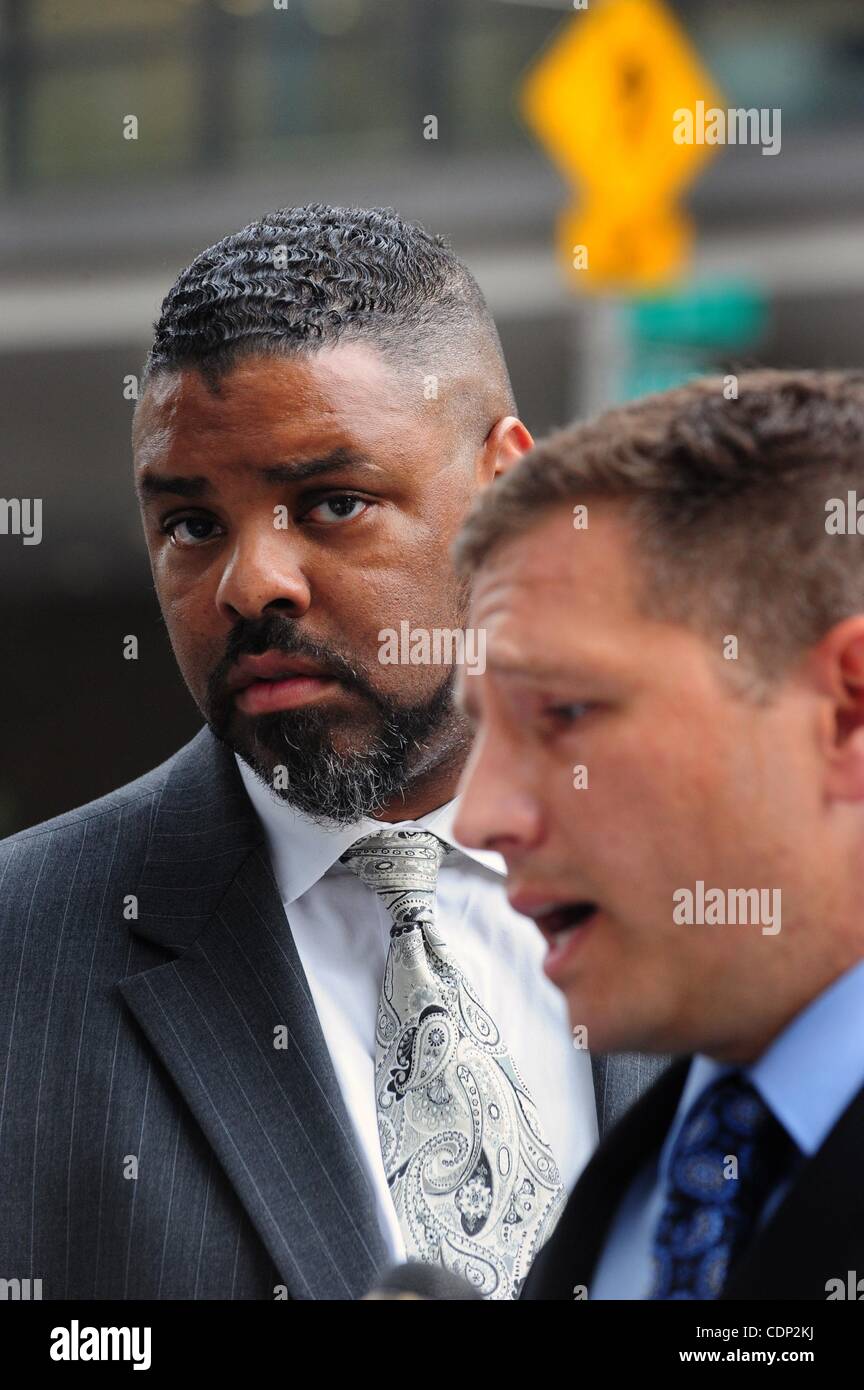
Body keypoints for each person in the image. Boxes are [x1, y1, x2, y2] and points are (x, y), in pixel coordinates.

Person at [0, 205, 663, 1301]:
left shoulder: (749, 894)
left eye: (333, 503)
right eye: (191, 524)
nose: (249, 583)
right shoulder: (26, 964)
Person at [452, 369, 864, 1300]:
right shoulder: (626, 1205)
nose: (480, 819)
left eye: (561, 712)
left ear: (847, 710)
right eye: (481, 729)